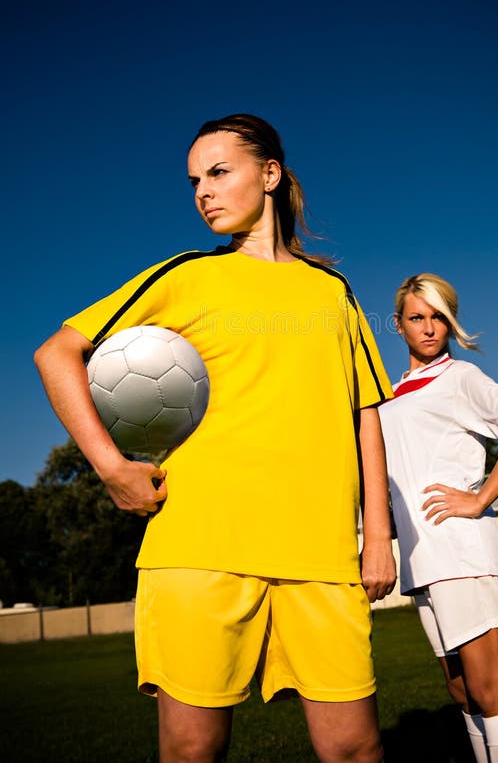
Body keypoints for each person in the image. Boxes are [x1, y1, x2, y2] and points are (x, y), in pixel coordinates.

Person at [34, 113, 397, 762]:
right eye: (195, 179)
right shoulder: (183, 277)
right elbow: (58, 353)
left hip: (320, 555)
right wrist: (111, 466)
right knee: (192, 749)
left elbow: (364, 414)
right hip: (199, 545)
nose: (203, 190)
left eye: (219, 171)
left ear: (270, 174)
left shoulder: (332, 293)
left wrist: (379, 537)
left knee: (354, 749)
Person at [378, 273, 498, 763]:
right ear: (399, 324)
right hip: (422, 560)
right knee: (461, 692)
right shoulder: (391, 392)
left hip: (460, 551)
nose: (429, 328)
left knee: (489, 687)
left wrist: (479, 498)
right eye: (417, 318)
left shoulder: (461, 378)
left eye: (439, 318)